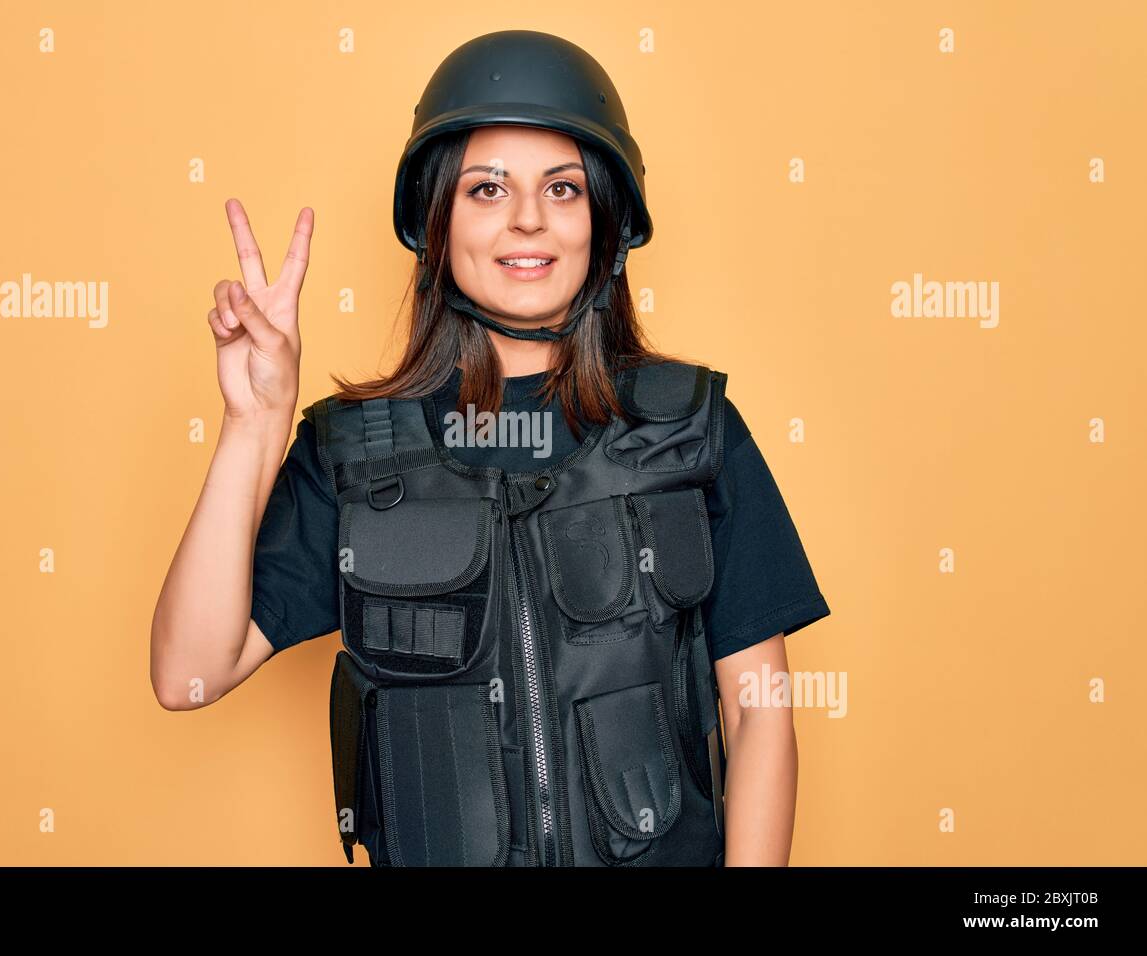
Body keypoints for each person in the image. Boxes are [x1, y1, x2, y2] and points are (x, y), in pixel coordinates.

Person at [150, 30, 829, 867]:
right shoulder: (355, 453)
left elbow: (759, 711)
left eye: (563, 188)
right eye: (487, 188)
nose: (528, 219)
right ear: (436, 223)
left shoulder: (689, 426)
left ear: (605, 224)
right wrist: (251, 425)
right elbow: (188, 674)